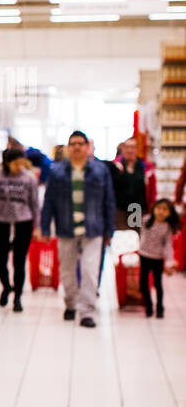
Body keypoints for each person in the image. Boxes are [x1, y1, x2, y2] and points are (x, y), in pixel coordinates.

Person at [40, 130, 115, 328]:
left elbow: (109, 201)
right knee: (67, 272)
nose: (76, 147)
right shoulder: (57, 172)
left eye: (80, 143)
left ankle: (87, 312)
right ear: (68, 147)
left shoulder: (100, 170)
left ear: (87, 146)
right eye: (72, 144)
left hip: (94, 229)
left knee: (90, 271)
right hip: (66, 228)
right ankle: (71, 304)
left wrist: (109, 230)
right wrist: (45, 227)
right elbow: (48, 201)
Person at [0, 148, 39, 312]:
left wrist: (37, 226)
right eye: (15, 163)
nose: (18, 166)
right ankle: (6, 286)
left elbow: (35, 203)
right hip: (1, 223)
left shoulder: (29, 179)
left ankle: (17, 296)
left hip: (23, 223)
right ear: (7, 163)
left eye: (21, 162)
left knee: (19, 261)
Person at [138, 199, 180, 319]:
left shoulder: (167, 227)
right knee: (143, 283)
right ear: (153, 208)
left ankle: (160, 307)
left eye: (165, 209)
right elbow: (141, 234)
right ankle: (149, 305)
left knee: (158, 284)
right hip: (144, 256)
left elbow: (168, 245)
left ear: (169, 213)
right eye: (159, 208)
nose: (161, 211)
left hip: (157, 258)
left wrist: (169, 261)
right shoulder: (146, 220)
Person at [107, 138, 148, 232]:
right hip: (119, 209)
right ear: (123, 149)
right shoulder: (114, 166)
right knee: (120, 236)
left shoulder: (144, 167)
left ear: (137, 149)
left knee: (134, 236)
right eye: (127, 147)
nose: (130, 150)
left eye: (133, 147)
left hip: (137, 209)